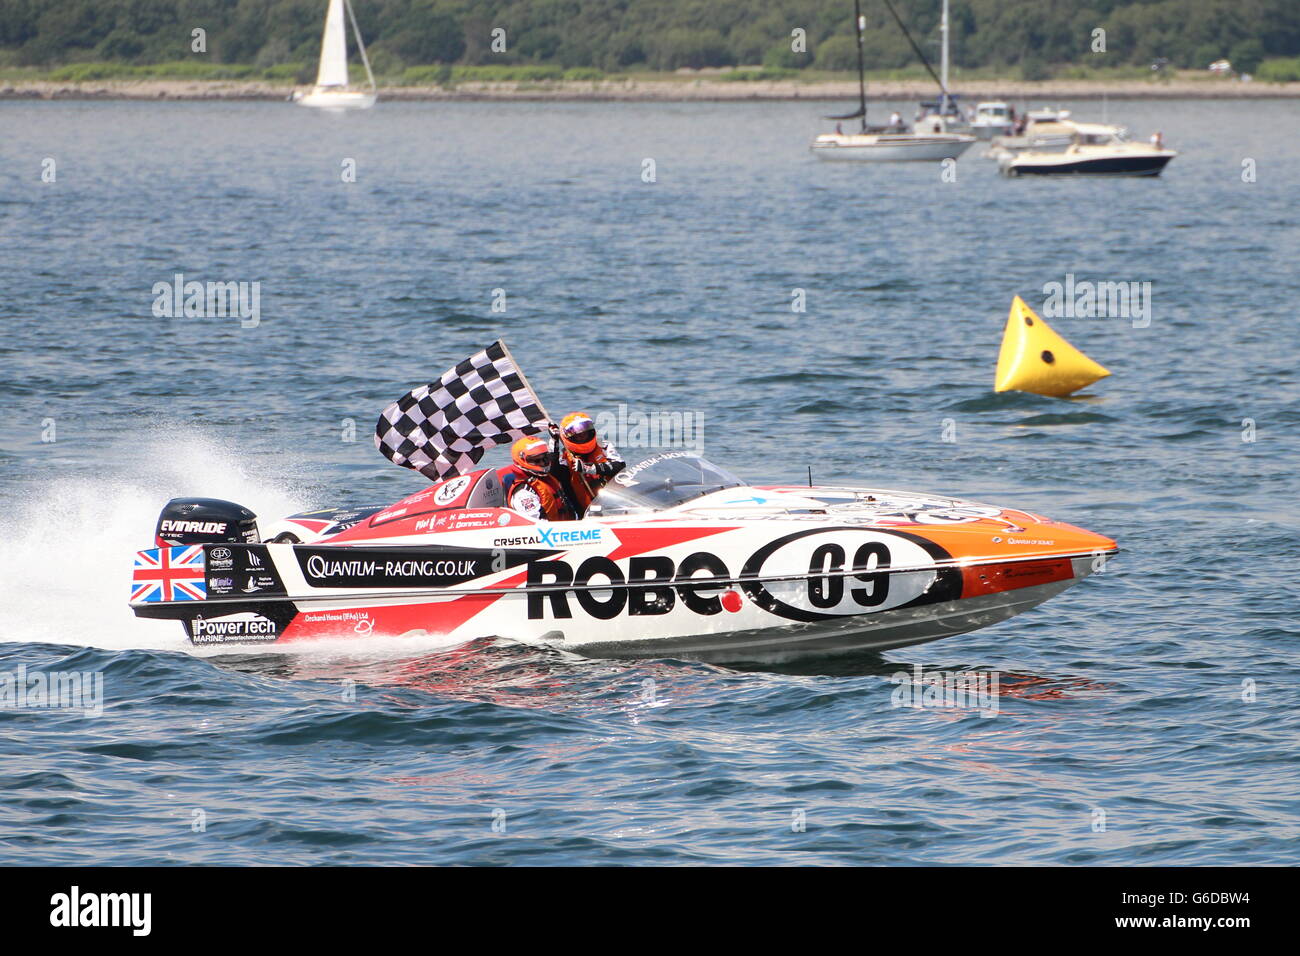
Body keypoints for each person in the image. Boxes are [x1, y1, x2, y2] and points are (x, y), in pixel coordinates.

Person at [555, 412, 624, 516]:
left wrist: (591, 468)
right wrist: (554, 442)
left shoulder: (604, 446)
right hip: (587, 512)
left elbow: (620, 466)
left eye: (585, 433)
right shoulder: (565, 458)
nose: (582, 437)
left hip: (615, 503)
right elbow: (555, 473)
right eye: (578, 435)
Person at [505, 435, 575, 521]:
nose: (543, 463)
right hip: (548, 532)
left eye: (545, 458)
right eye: (537, 460)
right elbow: (535, 525)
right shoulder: (523, 493)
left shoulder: (547, 478)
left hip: (567, 527)